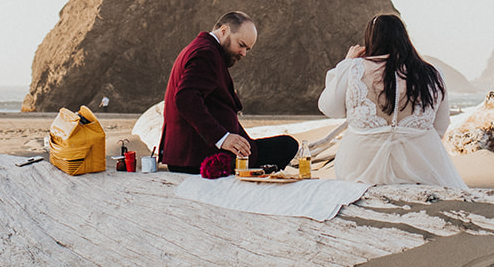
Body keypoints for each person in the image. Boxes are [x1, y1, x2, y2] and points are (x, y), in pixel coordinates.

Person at [317, 13, 466, 188]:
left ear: (370, 41)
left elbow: (330, 109)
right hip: (423, 167)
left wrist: (345, 63)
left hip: (360, 169)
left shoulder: (353, 69)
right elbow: (441, 125)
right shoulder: (432, 73)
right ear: (404, 38)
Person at [160, 11, 299, 174]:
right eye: (241, 44)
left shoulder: (204, 49)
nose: (243, 53)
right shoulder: (206, 53)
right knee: (287, 146)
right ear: (224, 30)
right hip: (200, 157)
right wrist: (222, 138)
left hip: (197, 153)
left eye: (247, 49)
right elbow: (186, 98)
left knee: (283, 146)